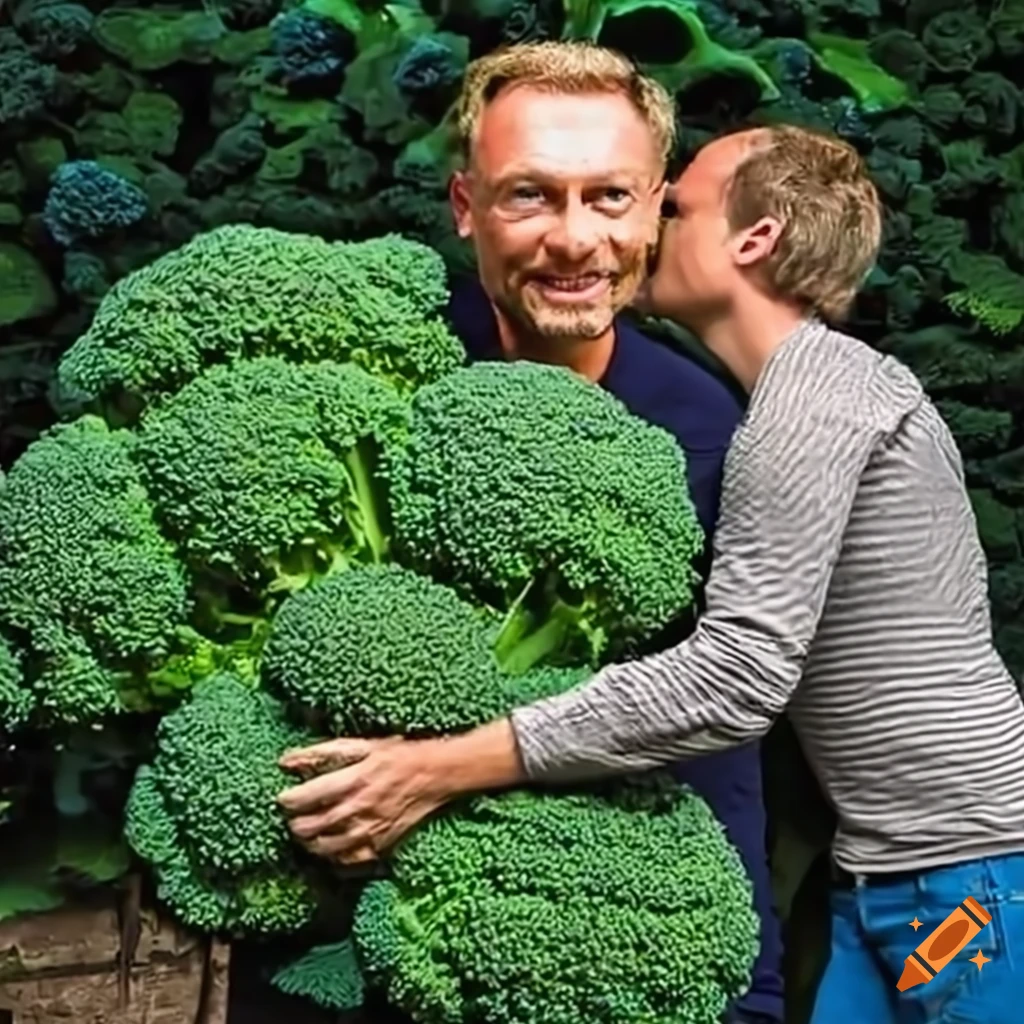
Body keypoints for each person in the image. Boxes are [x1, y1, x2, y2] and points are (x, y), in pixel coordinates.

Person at [279, 115, 1024, 1022]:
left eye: (676, 205)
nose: (644, 229)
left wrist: (441, 766)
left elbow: (738, 679)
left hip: (967, 878)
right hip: (891, 871)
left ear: (756, 239)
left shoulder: (810, 406)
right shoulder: (818, 391)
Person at [294, 40, 784, 1024]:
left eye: (609, 197)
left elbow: (709, 733)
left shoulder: (704, 432)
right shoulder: (364, 373)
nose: (573, 240)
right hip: (337, 925)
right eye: (530, 195)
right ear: (466, 206)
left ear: (654, 208)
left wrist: (745, 996)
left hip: (589, 900)